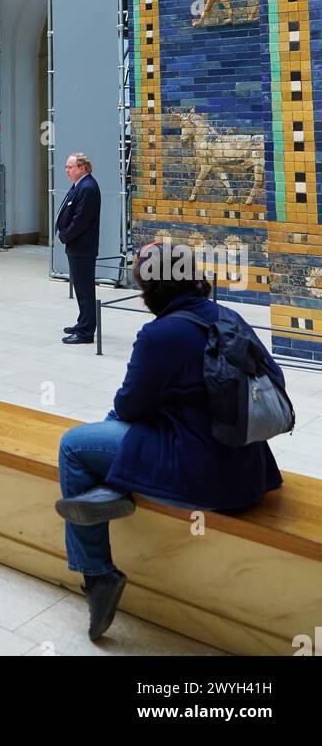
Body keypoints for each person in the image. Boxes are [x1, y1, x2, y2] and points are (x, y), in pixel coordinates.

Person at [54, 242, 284, 643]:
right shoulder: (229, 317)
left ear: (151, 289)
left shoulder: (160, 334)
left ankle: (98, 574)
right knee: (127, 422)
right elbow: (274, 379)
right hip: (250, 471)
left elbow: (129, 404)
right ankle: (114, 488)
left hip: (202, 476)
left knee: (73, 445)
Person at [55, 151, 101, 344]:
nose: (67, 170)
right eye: (66, 167)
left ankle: (86, 332)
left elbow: (81, 220)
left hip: (82, 247)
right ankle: (83, 322)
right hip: (77, 246)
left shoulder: (88, 187)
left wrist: (65, 235)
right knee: (81, 288)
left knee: (84, 289)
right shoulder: (80, 185)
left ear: (82, 168)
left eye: (70, 167)